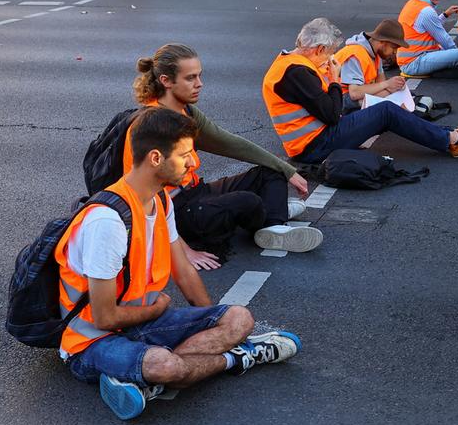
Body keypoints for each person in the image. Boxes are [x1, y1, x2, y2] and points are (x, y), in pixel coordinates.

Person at [55, 107, 302, 421]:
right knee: (165, 365)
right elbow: (104, 318)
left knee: (239, 319)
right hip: (92, 341)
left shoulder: (159, 201)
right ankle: (238, 359)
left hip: (141, 324)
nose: (193, 163)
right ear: (156, 158)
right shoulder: (108, 222)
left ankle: (144, 380)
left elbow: (184, 271)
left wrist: (212, 321)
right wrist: (158, 311)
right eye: (185, 155)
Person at [127, 44, 322, 264]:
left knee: (271, 172)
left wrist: (287, 170)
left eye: (199, 76)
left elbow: (230, 143)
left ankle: (274, 225)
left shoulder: (186, 110)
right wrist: (182, 250)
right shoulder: (149, 126)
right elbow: (142, 195)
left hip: (196, 191)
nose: (199, 84)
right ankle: (273, 214)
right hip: (178, 211)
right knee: (248, 202)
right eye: (190, 78)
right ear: (166, 81)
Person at [262, 17, 458, 163]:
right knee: (386, 112)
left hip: (315, 138)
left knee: (388, 111)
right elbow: (332, 113)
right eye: (329, 53)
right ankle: (453, 140)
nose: (330, 58)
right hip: (312, 146)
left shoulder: (292, 64)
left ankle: (453, 134)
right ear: (319, 49)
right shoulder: (297, 72)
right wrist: (334, 79)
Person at [396, 0, 458, 78]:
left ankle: (440, 69)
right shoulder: (426, 11)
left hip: (408, 59)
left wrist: (445, 15)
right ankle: (436, 71)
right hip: (413, 63)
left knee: (448, 52)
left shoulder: (413, 3)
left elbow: (429, 26)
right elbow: (443, 38)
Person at [334, 19, 409, 112]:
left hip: (352, 94)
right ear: (382, 42)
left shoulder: (376, 53)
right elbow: (354, 93)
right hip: (336, 99)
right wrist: (388, 84)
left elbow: (382, 84)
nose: (395, 52)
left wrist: (394, 85)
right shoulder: (355, 54)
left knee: (388, 93)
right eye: (394, 47)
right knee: (381, 96)